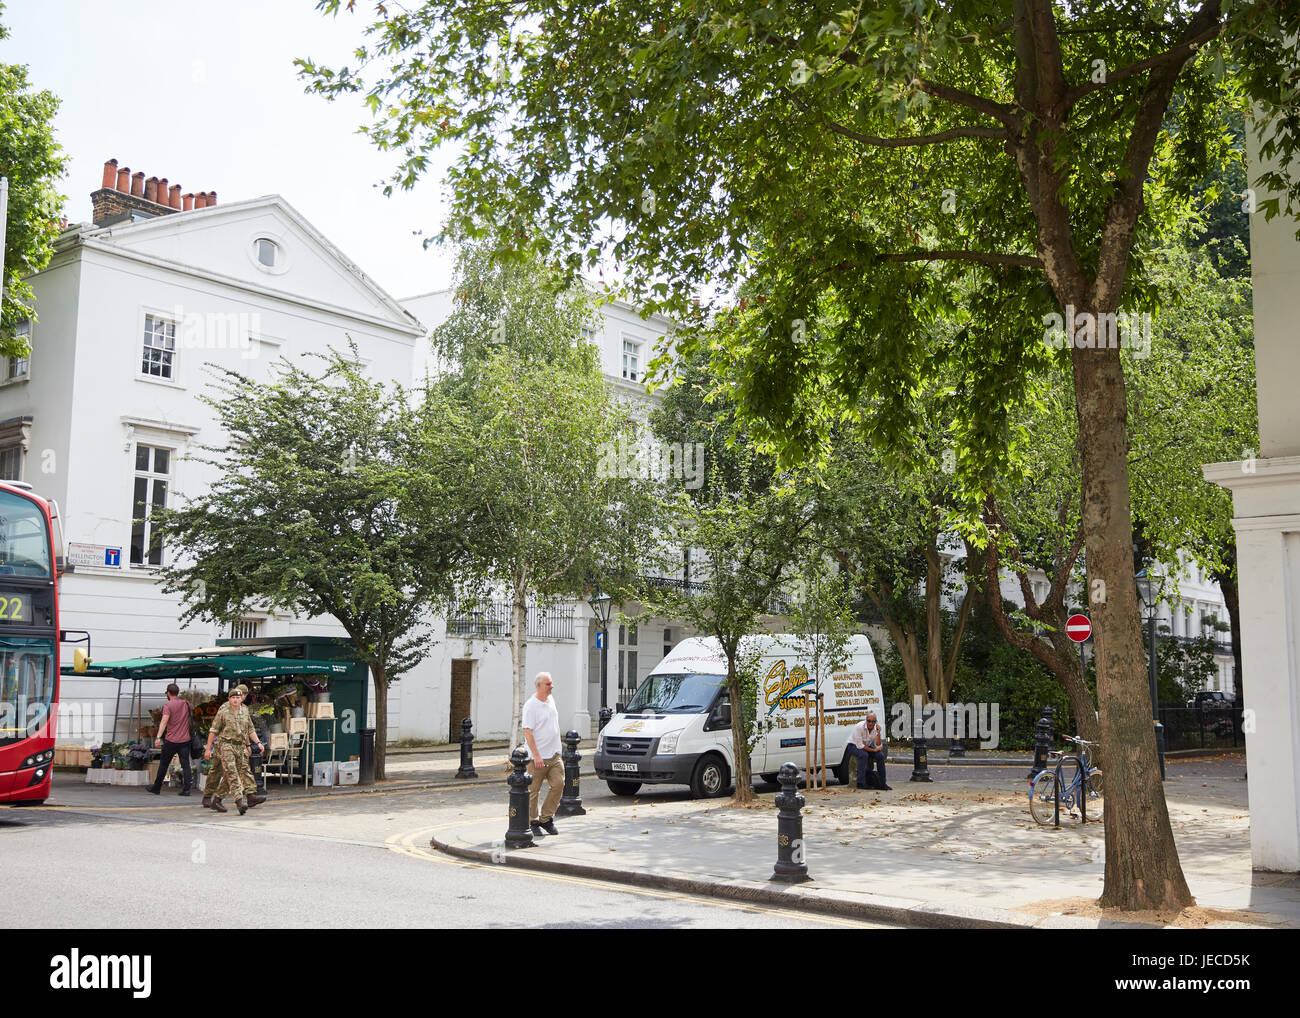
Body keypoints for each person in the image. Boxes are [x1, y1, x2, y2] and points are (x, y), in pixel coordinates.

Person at [204, 686, 266, 814]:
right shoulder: (224, 711)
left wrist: (257, 743)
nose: (236, 700)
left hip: (240, 746)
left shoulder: (245, 710)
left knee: (238, 772)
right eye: (233, 698)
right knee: (231, 773)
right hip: (226, 745)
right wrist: (208, 748)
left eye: (238, 697)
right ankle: (239, 802)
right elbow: (213, 731)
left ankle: (218, 799)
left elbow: (249, 729)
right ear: (229, 699)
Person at [522, 671, 563, 837]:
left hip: (554, 755)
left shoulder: (551, 700)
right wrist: (536, 756)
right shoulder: (530, 706)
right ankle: (533, 821)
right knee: (533, 791)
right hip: (537, 758)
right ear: (539, 685)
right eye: (548, 684)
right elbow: (527, 731)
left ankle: (546, 818)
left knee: (559, 784)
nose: (552, 686)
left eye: (551, 683)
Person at [147, 683, 193, 796]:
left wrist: (158, 737)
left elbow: (164, 722)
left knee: (164, 764)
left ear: (168, 693)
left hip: (171, 740)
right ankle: (187, 789)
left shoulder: (168, 705)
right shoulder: (187, 704)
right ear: (177, 692)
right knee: (186, 764)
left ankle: (156, 787)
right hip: (185, 739)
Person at [847, 712, 891, 790]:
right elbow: (860, 745)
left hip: (866, 745)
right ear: (866, 720)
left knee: (880, 756)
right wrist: (873, 750)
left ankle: (882, 783)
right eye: (869, 721)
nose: (871, 723)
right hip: (853, 745)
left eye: (873, 721)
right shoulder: (859, 727)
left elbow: (879, 745)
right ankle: (861, 783)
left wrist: (878, 733)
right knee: (864, 755)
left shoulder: (875, 729)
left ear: (875, 722)